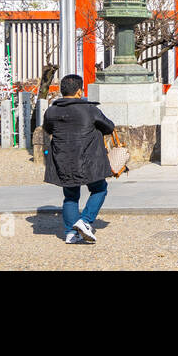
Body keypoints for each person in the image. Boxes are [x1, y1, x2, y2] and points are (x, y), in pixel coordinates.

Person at [43, 74, 117, 244]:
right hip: (88, 159)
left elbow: (48, 129)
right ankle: (84, 221)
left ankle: (70, 233)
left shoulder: (51, 111)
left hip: (63, 160)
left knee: (70, 195)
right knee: (99, 188)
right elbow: (109, 127)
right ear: (78, 92)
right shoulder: (90, 110)